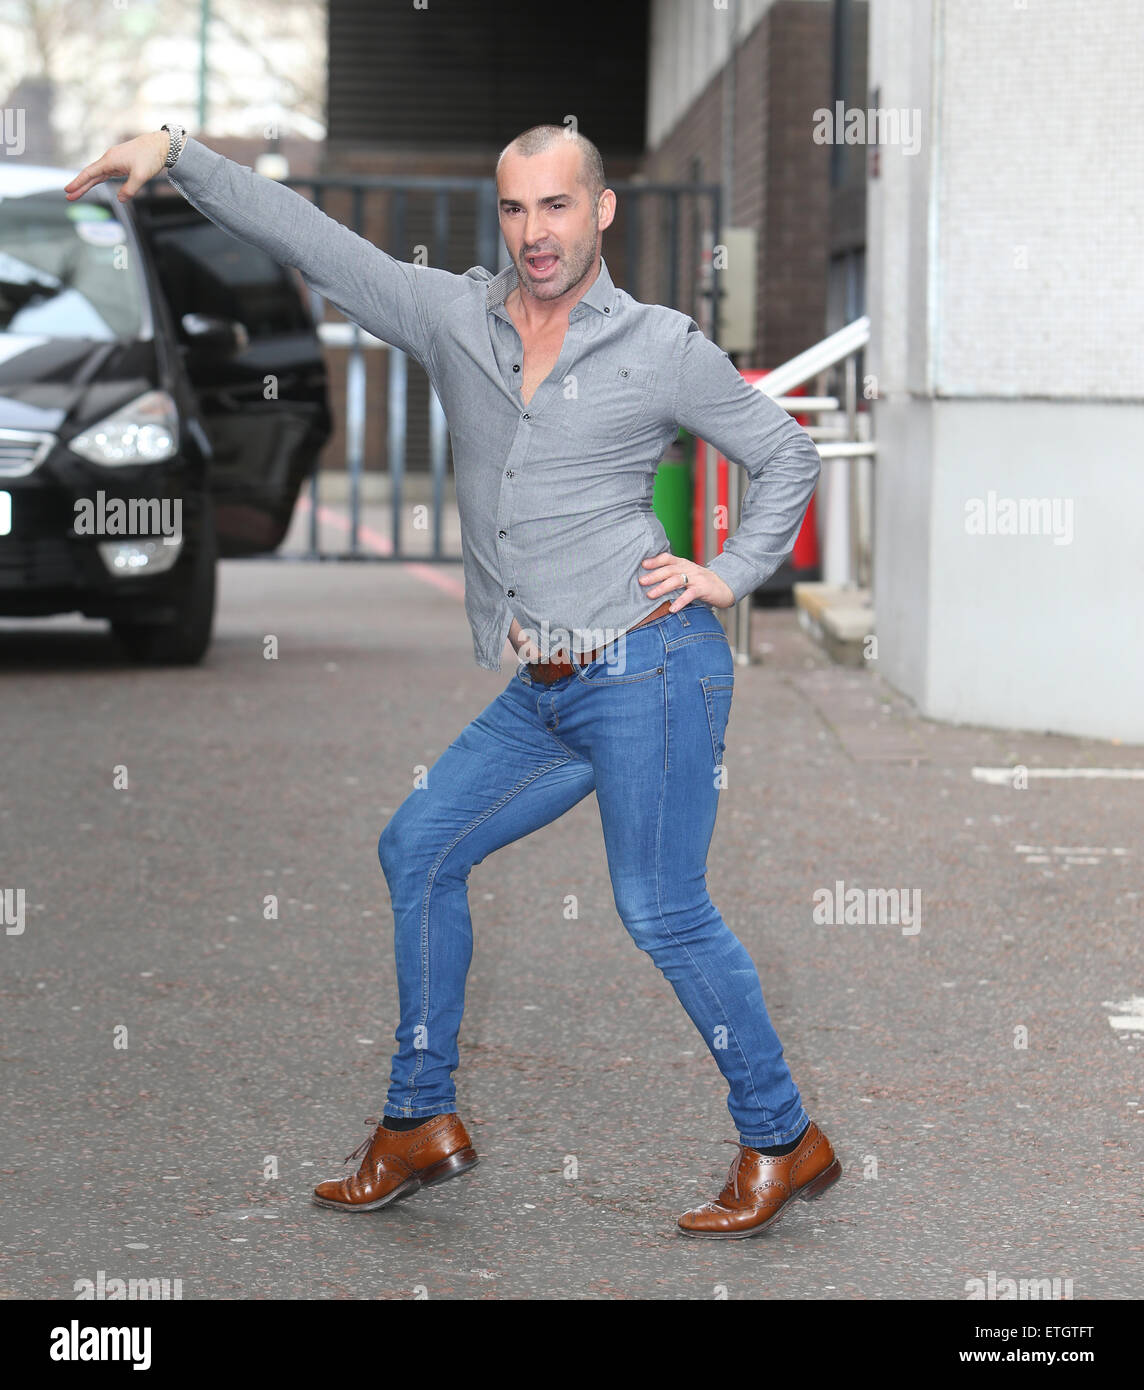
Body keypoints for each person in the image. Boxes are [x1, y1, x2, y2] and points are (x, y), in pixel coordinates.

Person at [65, 122, 840, 1238]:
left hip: (651, 664)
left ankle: (781, 1137)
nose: (535, 233)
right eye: (516, 210)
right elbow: (318, 243)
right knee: (419, 847)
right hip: (548, 689)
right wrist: (181, 156)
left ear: (601, 211)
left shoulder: (662, 345)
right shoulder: (450, 317)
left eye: (557, 207)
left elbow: (786, 454)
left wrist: (726, 573)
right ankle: (418, 1120)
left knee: (660, 908)